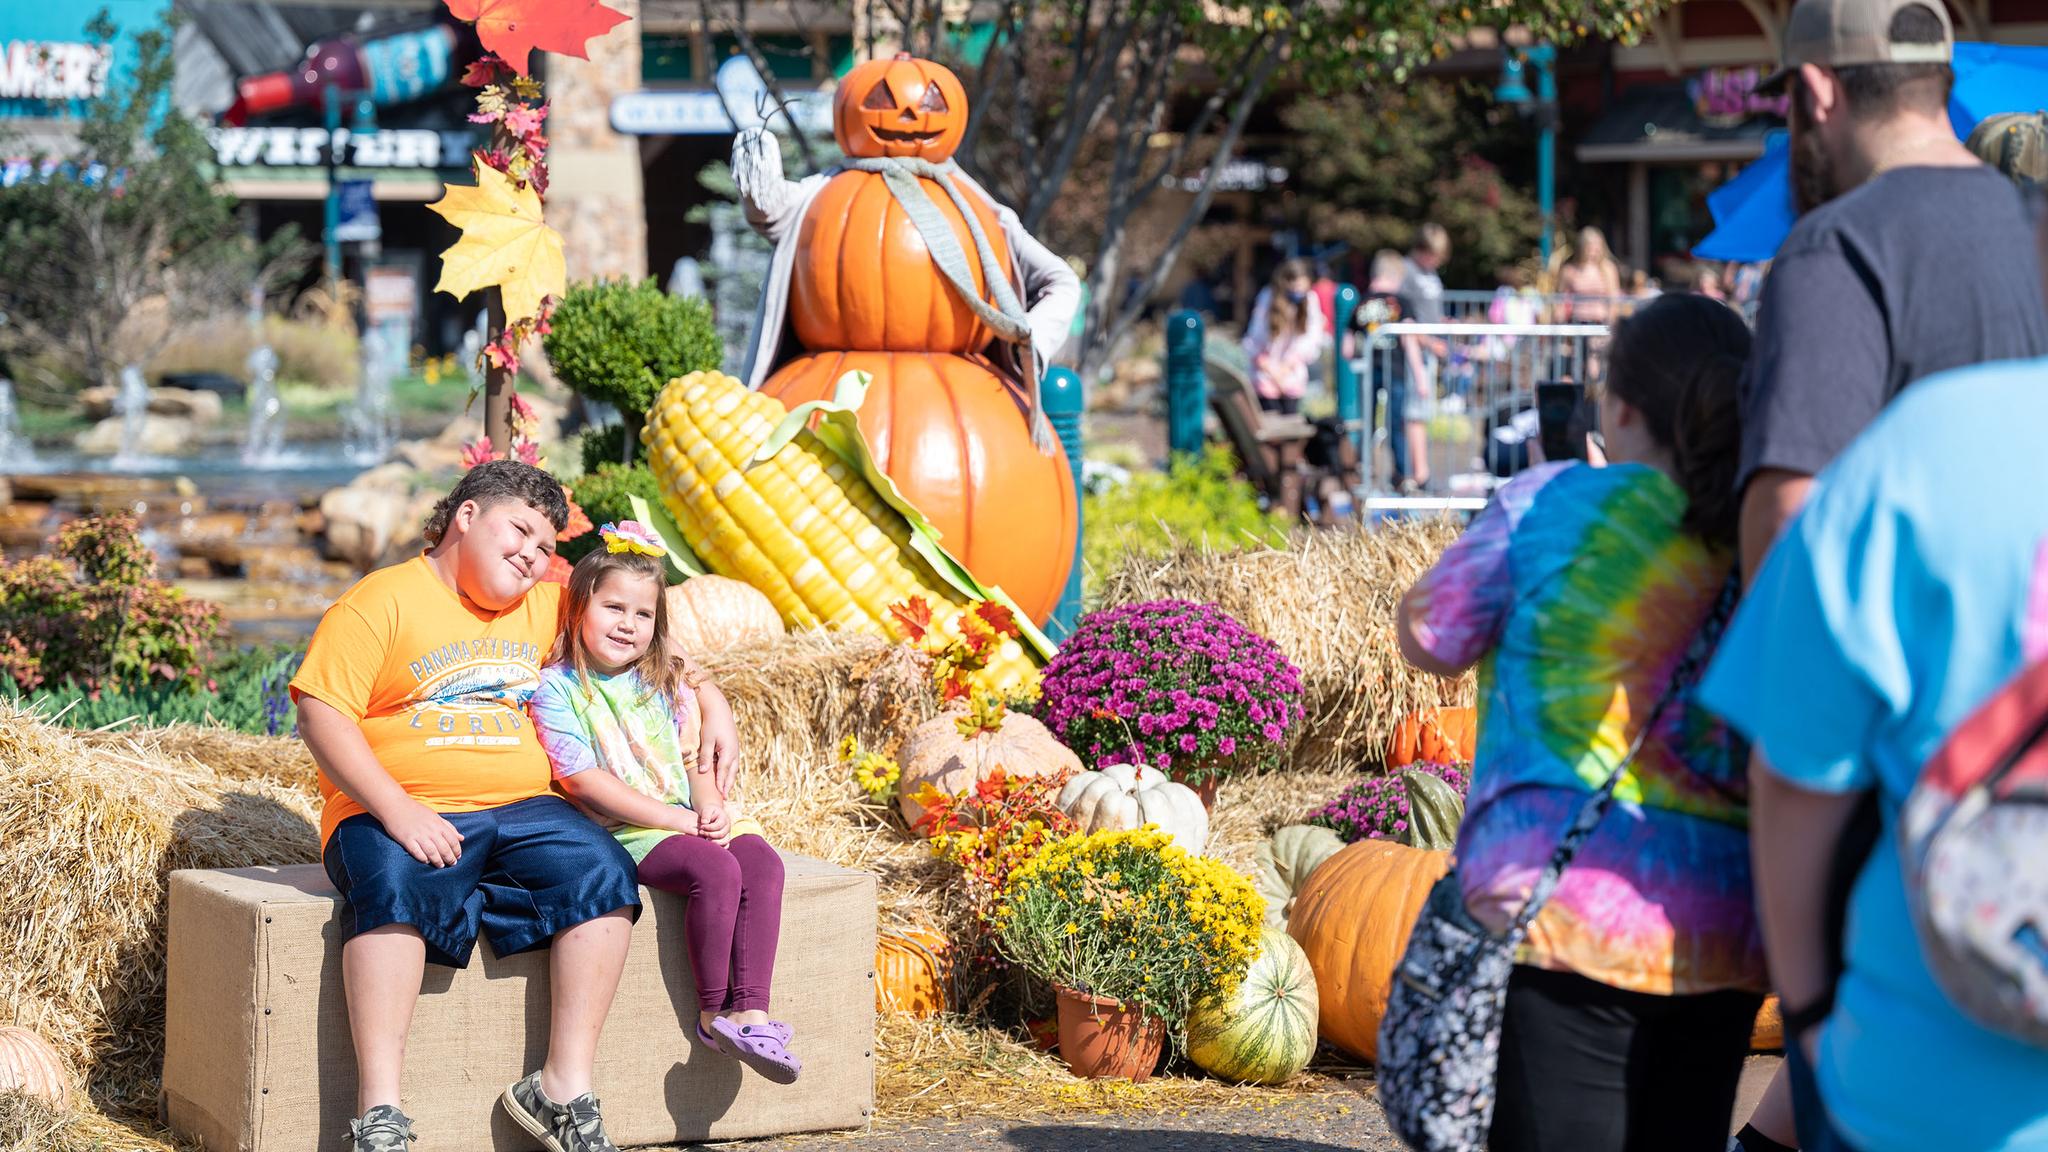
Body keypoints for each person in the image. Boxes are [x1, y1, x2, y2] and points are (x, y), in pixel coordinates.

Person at [1728, 2, 2048, 1146]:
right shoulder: (2025, 221)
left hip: (1898, 791)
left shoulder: (1837, 245)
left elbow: (1788, 513)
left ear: (1813, 93)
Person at [1396, 294, 1766, 1152]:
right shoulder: (1758, 531)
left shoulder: (1549, 505)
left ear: (1621, 407)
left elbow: (1430, 638)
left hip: (1557, 915)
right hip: (1721, 928)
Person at [290, 461, 741, 1152]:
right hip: (397, 806)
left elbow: (642, 635)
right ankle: (379, 1118)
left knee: (601, 871)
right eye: (520, 531)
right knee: (392, 885)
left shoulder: (547, 604)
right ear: (466, 518)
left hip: (525, 807)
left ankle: (561, 1090)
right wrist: (397, 809)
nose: (533, 554)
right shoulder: (380, 601)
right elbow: (321, 712)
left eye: (545, 545)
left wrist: (713, 701)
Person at [530, 523, 798, 1085]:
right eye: (613, 608)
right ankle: (712, 1015)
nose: (627, 624)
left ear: (659, 628)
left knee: (762, 863)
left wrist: (710, 805)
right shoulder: (558, 689)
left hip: (683, 812)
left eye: (643, 615)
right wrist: (681, 822)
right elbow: (584, 782)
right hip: (626, 829)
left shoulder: (663, 681)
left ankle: (752, 1012)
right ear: (578, 606)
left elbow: (695, 758)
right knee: (714, 868)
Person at [1396, 224, 1453, 492]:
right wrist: (1429, 342)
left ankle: (1423, 470)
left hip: (1430, 348)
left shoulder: (1429, 274)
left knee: (1423, 411)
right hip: (1415, 351)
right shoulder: (1407, 273)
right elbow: (1406, 318)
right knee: (1416, 412)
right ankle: (1420, 473)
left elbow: (1429, 312)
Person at [1355, 249, 1413, 488]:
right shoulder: (1401, 302)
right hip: (1396, 370)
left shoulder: (1362, 302)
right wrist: (1419, 375)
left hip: (1369, 371)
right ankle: (1400, 474)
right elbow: (1409, 339)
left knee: (1367, 420)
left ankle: (1362, 467)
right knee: (1396, 423)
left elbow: (1348, 347)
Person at [1241, 258, 1328, 416]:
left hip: (1291, 374)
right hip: (1266, 374)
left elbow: (1311, 339)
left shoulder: (1309, 300)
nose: (1298, 291)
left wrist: (1287, 367)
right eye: (1294, 285)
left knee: (1291, 419)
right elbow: (1254, 339)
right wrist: (1272, 370)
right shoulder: (1268, 298)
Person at [1556, 226, 1624, 323]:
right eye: (1590, 245)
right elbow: (1561, 301)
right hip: (1578, 322)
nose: (1594, 248)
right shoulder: (1569, 270)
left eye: (1597, 245)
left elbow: (1614, 299)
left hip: (1601, 321)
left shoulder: (1608, 268)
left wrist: (1610, 327)